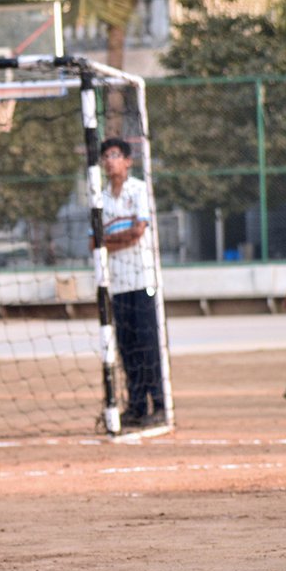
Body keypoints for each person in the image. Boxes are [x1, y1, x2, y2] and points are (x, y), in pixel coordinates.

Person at [101, 137, 165, 428]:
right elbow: (94, 241)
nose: (110, 161)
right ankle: (137, 406)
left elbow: (138, 231)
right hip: (117, 284)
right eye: (106, 156)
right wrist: (115, 239)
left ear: (127, 160)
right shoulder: (100, 198)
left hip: (142, 280)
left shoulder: (138, 189)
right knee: (127, 350)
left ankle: (161, 404)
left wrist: (110, 240)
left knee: (148, 345)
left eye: (115, 155)